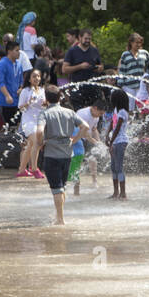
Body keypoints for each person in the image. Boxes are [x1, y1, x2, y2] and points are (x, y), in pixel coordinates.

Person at [39, 85, 91, 225]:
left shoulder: (45, 114)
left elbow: (39, 131)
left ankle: (60, 220)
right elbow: (85, 127)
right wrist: (75, 139)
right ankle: (58, 215)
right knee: (62, 187)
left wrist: (40, 143)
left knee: (56, 188)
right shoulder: (70, 112)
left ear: (46, 98)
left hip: (51, 155)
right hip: (67, 155)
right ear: (59, 97)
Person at [64, 29, 104, 109]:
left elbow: (100, 65)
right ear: (80, 37)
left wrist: (100, 68)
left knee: (96, 114)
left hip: (93, 87)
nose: (88, 41)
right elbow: (64, 69)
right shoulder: (72, 51)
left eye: (89, 39)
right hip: (78, 87)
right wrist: (80, 66)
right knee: (79, 113)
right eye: (86, 38)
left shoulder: (94, 50)